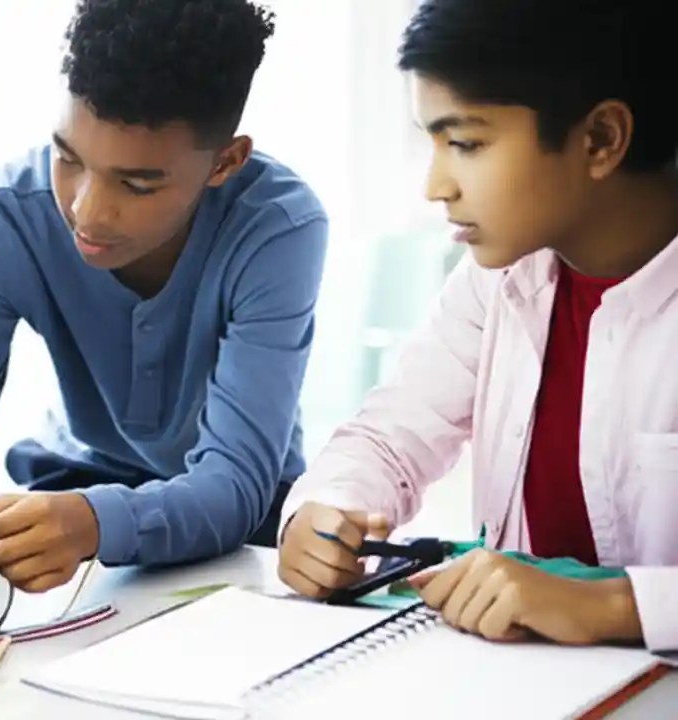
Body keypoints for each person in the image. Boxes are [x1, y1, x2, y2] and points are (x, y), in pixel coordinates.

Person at [0, 0, 328, 593]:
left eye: (136, 184)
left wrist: (94, 524)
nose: (86, 211)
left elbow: (235, 484)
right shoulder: (7, 216)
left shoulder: (277, 228)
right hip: (71, 487)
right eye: (68, 157)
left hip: (243, 525)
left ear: (225, 163)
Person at [277, 0, 678, 651]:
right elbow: (389, 435)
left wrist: (611, 606)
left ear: (601, 139)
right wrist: (324, 512)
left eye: (465, 143)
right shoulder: (499, 280)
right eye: (432, 142)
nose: (435, 185)